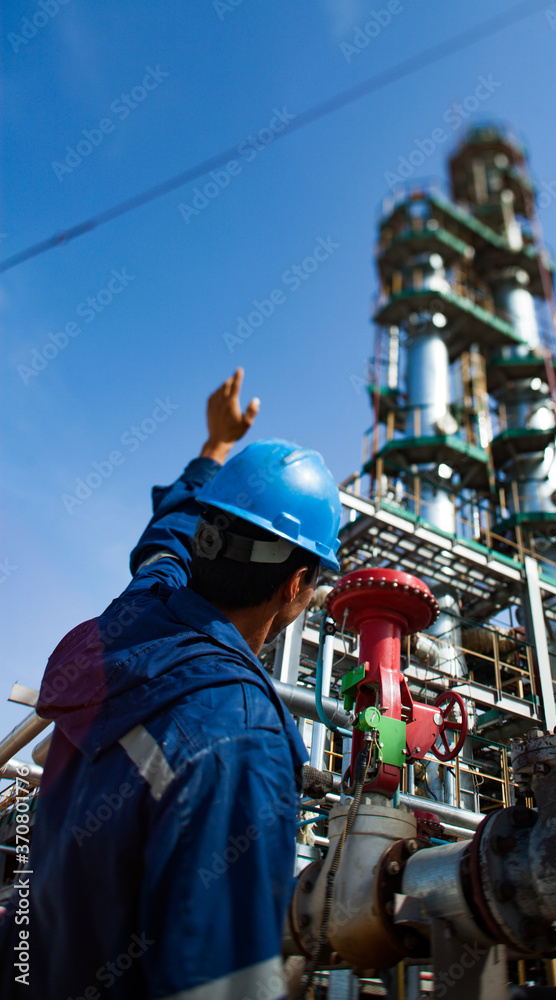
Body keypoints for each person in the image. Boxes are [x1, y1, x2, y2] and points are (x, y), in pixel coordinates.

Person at [0, 369, 341, 999]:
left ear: (208, 540)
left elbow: (167, 539)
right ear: (297, 586)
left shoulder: (136, 617)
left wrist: (214, 448)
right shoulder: (243, 736)